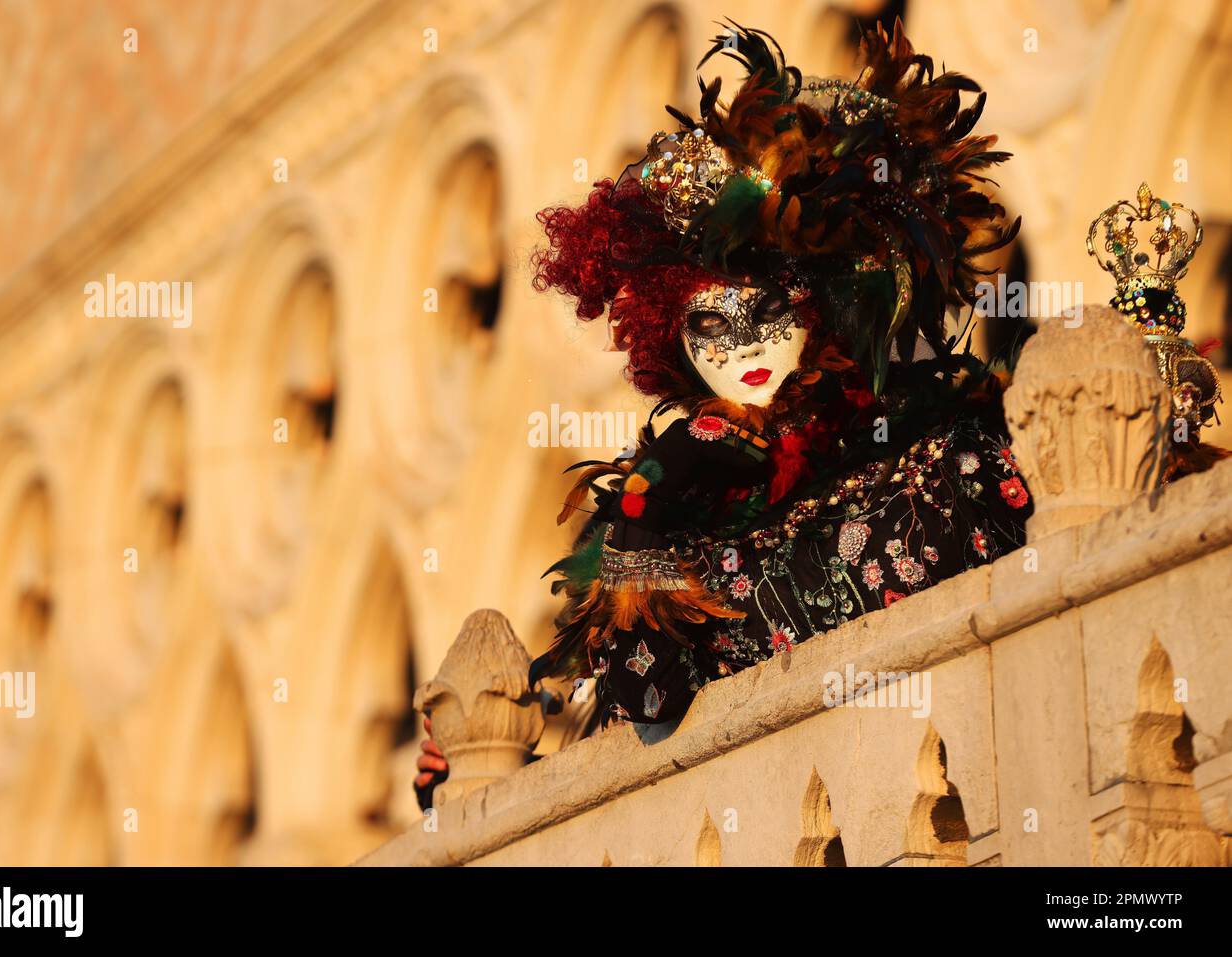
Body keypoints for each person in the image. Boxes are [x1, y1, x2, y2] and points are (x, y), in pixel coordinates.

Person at [416, 19, 1032, 805]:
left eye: (766, 308)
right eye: (709, 323)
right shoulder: (680, 520)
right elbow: (649, 707)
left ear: (824, 311)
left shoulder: (934, 453)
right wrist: (647, 496)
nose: (741, 345)